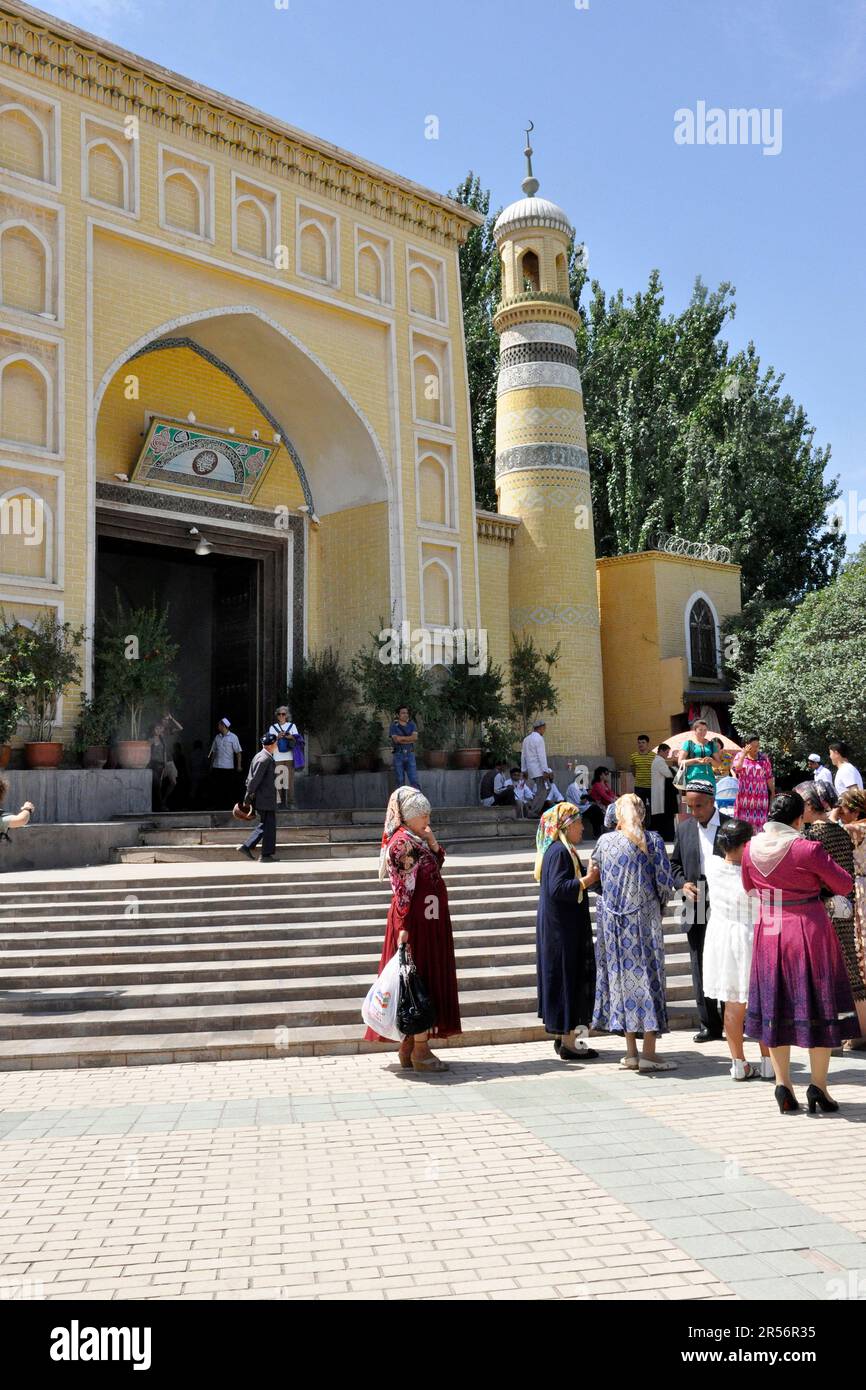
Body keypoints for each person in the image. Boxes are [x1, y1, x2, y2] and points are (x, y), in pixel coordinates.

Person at [744, 791, 857, 1114]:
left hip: (770, 926)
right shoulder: (807, 848)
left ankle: (783, 1084)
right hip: (808, 925)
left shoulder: (751, 847)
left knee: (775, 1005)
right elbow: (844, 884)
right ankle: (818, 1086)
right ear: (798, 819)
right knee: (819, 1004)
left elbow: (748, 887)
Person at [365, 787, 461, 1071]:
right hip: (416, 924)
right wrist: (404, 928)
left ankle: (409, 1046)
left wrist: (432, 841)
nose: (428, 818)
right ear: (409, 816)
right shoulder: (402, 844)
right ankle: (420, 1049)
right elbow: (403, 890)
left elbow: (435, 867)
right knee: (418, 981)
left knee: (418, 980)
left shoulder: (416, 839)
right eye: (424, 815)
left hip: (428, 921)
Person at [583, 793, 675, 1071]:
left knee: (620, 980)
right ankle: (649, 1052)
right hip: (643, 920)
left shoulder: (604, 842)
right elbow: (664, 882)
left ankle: (631, 1052)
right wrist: (660, 905)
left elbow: (595, 881)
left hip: (612, 923)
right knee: (648, 979)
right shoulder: (653, 841)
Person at [796, 780, 866, 1049]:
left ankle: (831, 1035)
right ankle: (858, 1031)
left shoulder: (813, 835)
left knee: (826, 970)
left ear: (811, 805)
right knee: (850, 965)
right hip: (847, 901)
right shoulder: (840, 833)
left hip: (823, 907)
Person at [702, 818, 772, 1081]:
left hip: (722, 936)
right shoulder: (757, 873)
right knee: (764, 1004)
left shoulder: (712, 865)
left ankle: (738, 1063)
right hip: (752, 935)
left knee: (732, 1003)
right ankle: (768, 1062)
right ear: (746, 844)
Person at [533, 803, 599, 1061]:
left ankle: (565, 1039)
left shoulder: (561, 850)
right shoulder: (559, 852)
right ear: (567, 826)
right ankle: (571, 1044)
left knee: (566, 980)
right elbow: (558, 889)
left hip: (563, 928)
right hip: (563, 932)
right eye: (578, 823)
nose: (582, 827)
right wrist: (588, 879)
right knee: (569, 980)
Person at [669, 780, 724, 1043]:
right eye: (689, 806)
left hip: (724, 902)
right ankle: (709, 1024)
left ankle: (732, 1019)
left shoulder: (732, 827)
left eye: (698, 806)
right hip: (695, 901)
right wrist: (682, 884)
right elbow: (674, 865)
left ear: (712, 802)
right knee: (698, 962)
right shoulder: (685, 827)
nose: (694, 811)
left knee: (727, 959)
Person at [839, 787, 866, 1043]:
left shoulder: (855, 829)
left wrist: (831, 814)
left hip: (861, 890)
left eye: (844, 808)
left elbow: (830, 829)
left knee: (860, 956)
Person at [237, 733, 279, 863]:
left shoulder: (259, 756)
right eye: (276, 743)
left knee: (265, 825)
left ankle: (248, 846)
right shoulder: (264, 759)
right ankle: (265, 855)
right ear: (271, 745)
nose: (277, 745)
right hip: (265, 798)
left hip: (264, 797)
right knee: (269, 826)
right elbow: (254, 781)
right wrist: (247, 798)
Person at [731, 734, 775, 831]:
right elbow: (736, 769)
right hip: (744, 796)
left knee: (760, 822)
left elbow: (769, 776)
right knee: (743, 823)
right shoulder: (740, 756)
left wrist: (772, 792)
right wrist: (743, 754)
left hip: (760, 796)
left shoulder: (763, 759)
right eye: (753, 746)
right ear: (747, 746)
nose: (756, 749)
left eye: (757, 746)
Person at [267, 705, 299, 808]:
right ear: (277, 716)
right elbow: (268, 742)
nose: (281, 716)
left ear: (287, 715)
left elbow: (298, 740)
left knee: (290, 782)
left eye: (283, 714)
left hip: (289, 757)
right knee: (278, 781)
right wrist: (277, 737)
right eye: (279, 714)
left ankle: (291, 803)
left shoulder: (292, 726)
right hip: (277, 758)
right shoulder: (273, 727)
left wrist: (290, 736)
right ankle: (278, 803)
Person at [678, 718, 721, 791]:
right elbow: (680, 762)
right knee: (695, 801)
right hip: (693, 777)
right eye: (700, 730)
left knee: (709, 801)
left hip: (709, 777)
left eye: (705, 730)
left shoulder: (711, 744)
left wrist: (711, 760)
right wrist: (696, 760)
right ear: (694, 731)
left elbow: (718, 764)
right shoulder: (688, 743)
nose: (703, 732)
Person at [208, 717, 242, 808]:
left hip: (228, 767)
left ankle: (227, 806)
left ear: (224, 726)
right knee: (217, 788)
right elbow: (214, 752)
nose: (218, 726)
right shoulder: (217, 737)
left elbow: (238, 752)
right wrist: (211, 765)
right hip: (217, 766)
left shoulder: (233, 737)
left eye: (219, 725)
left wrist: (239, 765)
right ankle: (217, 805)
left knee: (227, 787)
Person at [521, 720, 552, 818]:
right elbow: (541, 756)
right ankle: (533, 811)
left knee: (543, 790)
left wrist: (524, 769)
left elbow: (523, 755)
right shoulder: (539, 738)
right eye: (544, 728)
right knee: (543, 791)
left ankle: (534, 809)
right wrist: (545, 770)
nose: (544, 730)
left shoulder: (526, 739)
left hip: (531, 770)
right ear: (541, 728)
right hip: (539, 770)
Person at [566, 765, 604, 838]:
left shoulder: (582, 786)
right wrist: (589, 796)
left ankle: (598, 833)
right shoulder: (572, 787)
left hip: (584, 808)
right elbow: (580, 801)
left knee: (597, 811)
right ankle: (598, 833)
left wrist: (590, 799)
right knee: (595, 810)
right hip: (576, 808)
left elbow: (587, 799)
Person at [650, 742, 677, 842]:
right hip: (662, 794)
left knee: (660, 816)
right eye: (666, 752)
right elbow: (669, 774)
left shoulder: (657, 760)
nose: (668, 755)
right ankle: (666, 837)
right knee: (663, 817)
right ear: (661, 751)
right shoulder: (659, 761)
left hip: (660, 792)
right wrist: (674, 767)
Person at [389, 705, 420, 789]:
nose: (405, 714)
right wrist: (409, 739)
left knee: (414, 780)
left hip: (410, 754)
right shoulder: (393, 725)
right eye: (403, 713)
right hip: (398, 755)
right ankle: (400, 801)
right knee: (400, 780)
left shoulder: (412, 724)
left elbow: (415, 738)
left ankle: (417, 801)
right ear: (398, 715)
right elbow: (396, 740)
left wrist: (402, 739)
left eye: (406, 713)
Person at [630, 735, 654, 817]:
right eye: (639, 743)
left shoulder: (653, 756)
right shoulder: (634, 756)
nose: (641, 744)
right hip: (639, 786)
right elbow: (633, 770)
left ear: (647, 744)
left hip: (651, 786)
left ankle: (652, 826)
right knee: (639, 808)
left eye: (643, 742)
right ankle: (641, 825)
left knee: (652, 808)